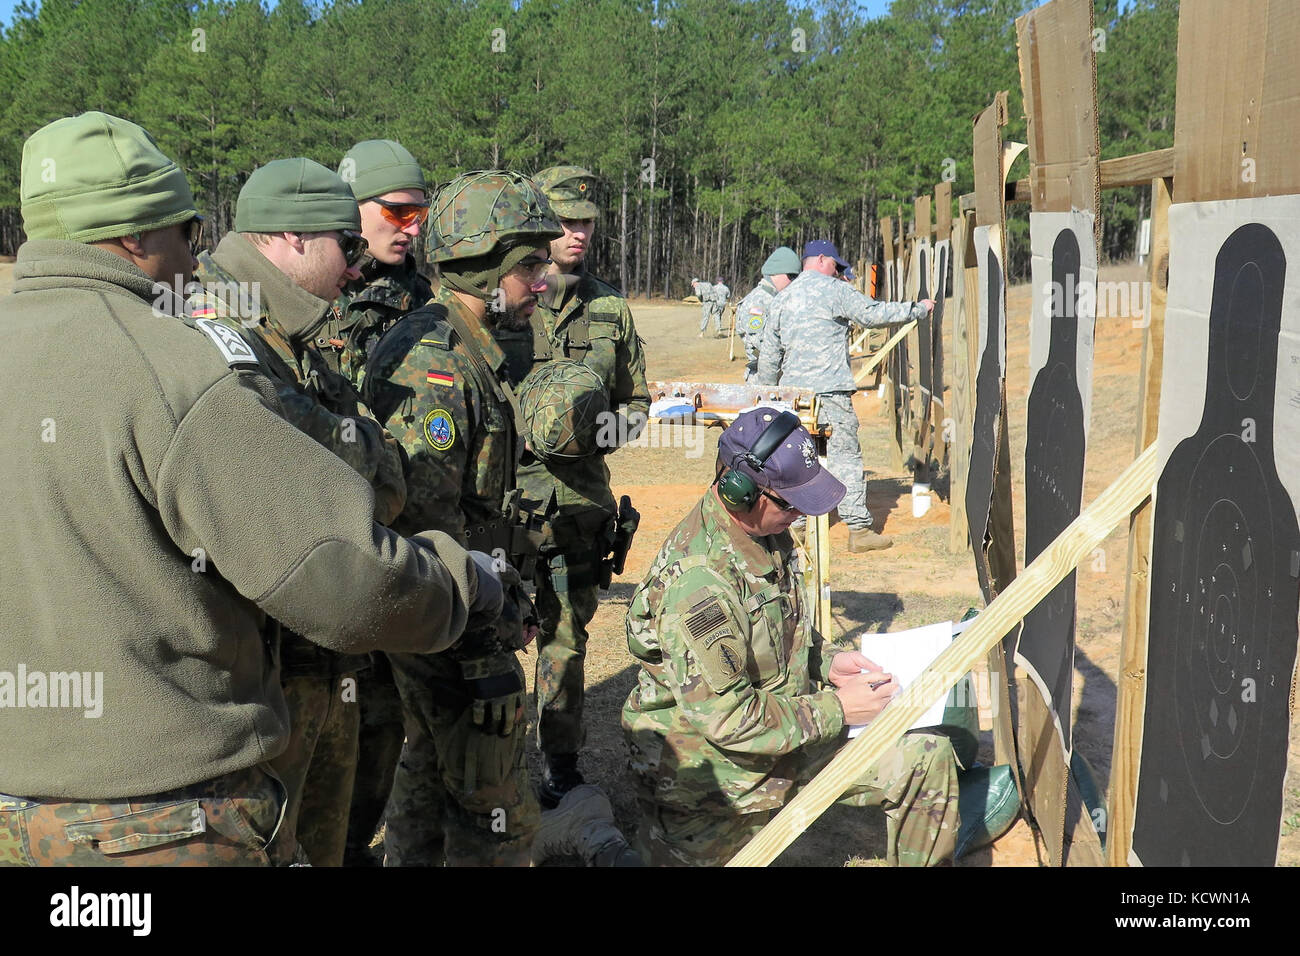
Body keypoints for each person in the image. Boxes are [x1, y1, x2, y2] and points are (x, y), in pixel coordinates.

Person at [0, 111, 503, 867]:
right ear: (135, 235)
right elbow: (340, 575)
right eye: (187, 230)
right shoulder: (172, 368)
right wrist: (468, 583)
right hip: (159, 822)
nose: (194, 256)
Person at [187, 158, 417, 865]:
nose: (355, 269)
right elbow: (323, 472)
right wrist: (365, 462)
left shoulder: (286, 325)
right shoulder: (213, 325)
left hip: (310, 657)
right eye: (344, 247)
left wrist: (364, 463)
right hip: (252, 673)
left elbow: (371, 469)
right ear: (289, 237)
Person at [622, 408, 959, 866]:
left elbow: (782, 628)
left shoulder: (763, 531)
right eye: (788, 503)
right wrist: (838, 708)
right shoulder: (699, 586)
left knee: (927, 756)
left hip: (784, 734)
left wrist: (826, 660)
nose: (799, 514)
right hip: (716, 777)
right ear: (738, 491)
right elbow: (730, 720)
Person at [361, 170, 561, 866]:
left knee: (425, 774)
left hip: (457, 611)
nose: (543, 281)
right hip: (450, 623)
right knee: (498, 815)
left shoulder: (470, 346)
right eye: (529, 265)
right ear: (484, 267)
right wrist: (487, 637)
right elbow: (424, 525)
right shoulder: (436, 364)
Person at [494, 165, 648, 807]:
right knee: (495, 636)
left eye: (585, 221)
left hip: (580, 508)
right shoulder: (500, 305)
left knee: (566, 642)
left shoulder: (611, 307)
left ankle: (560, 764)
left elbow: (637, 403)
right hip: (504, 507)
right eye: (563, 221)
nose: (577, 233)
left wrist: (588, 435)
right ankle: (493, 766)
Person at [330, 138, 432, 866]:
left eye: (419, 212)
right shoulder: (310, 295)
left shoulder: (425, 301)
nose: (410, 225)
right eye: (395, 210)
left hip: (401, 539)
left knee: (389, 721)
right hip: (326, 548)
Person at [756, 240, 933, 553]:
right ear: (821, 260)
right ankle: (859, 530)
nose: (838, 271)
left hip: (794, 397)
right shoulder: (833, 290)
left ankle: (792, 531)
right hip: (831, 392)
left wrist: (768, 395)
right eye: (835, 265)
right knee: (846, 457)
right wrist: (918, 309)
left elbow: (769, 355)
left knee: (795, 459)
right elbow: (871, 314)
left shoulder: (783, 299)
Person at [324, 139, 433, 386]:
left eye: (419, 214)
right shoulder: (308, 288)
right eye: (400, 211)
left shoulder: (418, 295)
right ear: (353, 205)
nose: (414, 229)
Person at [734, 246, 799, 382]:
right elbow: (758, 343)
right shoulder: (757, 303)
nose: (794, 282)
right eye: (791, 276)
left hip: (781, 375)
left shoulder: (778, 300)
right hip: (763, 380)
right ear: (776, 273)